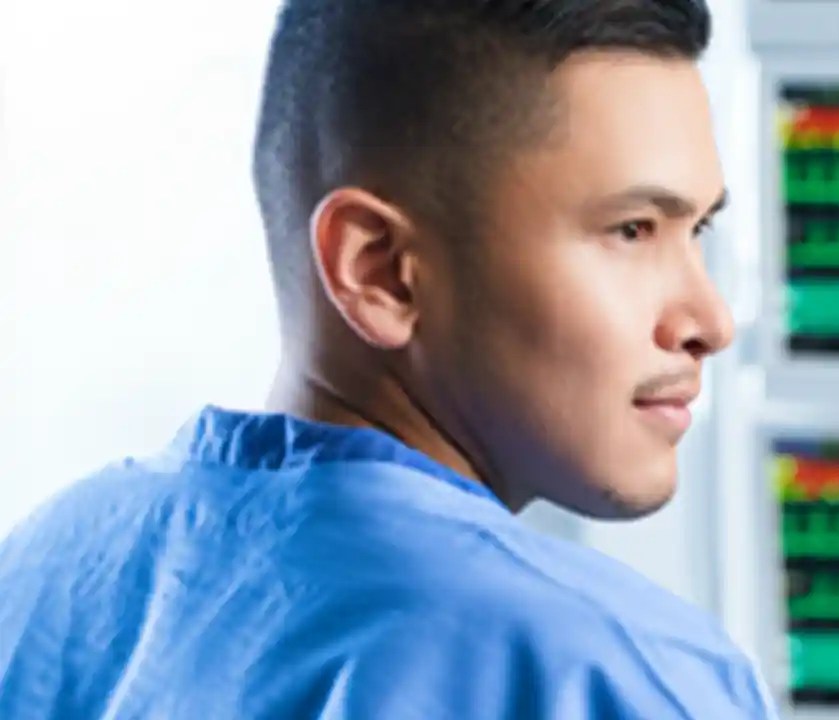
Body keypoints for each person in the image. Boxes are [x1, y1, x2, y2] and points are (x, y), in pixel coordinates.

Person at [0, 0, 781, 718]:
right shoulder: (610, 676)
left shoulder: (44, 572)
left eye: (699, 230)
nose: (708, 320)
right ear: (379, 271)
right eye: (633, 230)